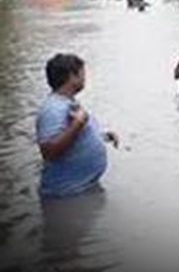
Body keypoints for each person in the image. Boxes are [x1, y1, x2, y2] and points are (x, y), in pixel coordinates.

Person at [36, 54, 118, 198]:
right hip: (65, 195)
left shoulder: (66, 103)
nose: (85, 77)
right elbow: (49, 152)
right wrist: (78, 123)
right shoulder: (52, 109)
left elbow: (72, 138)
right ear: (72, 76)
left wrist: (103, 137)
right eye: (82, 73)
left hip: (82, 190)